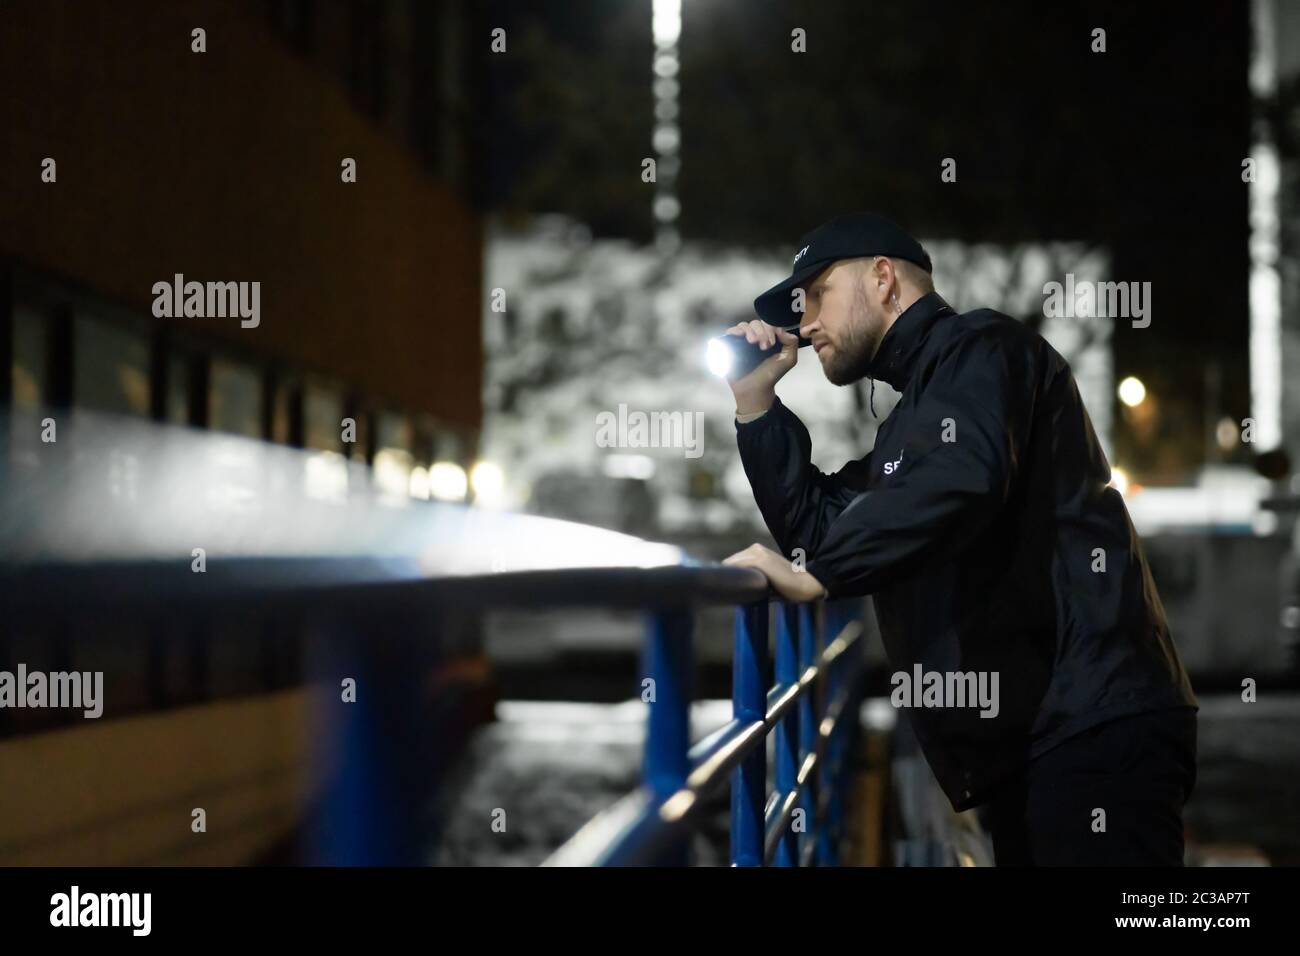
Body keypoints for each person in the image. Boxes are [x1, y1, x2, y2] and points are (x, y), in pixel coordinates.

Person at [721, 212, 1198, 866]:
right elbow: (819, 527)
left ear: (883, 278)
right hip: (1041, 737)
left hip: (1089, 727)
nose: (804, 324)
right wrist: (756, 406)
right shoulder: (916, 416)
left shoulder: (982, 349)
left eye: (816, 294)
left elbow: (958, 481)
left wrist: (825, 574)